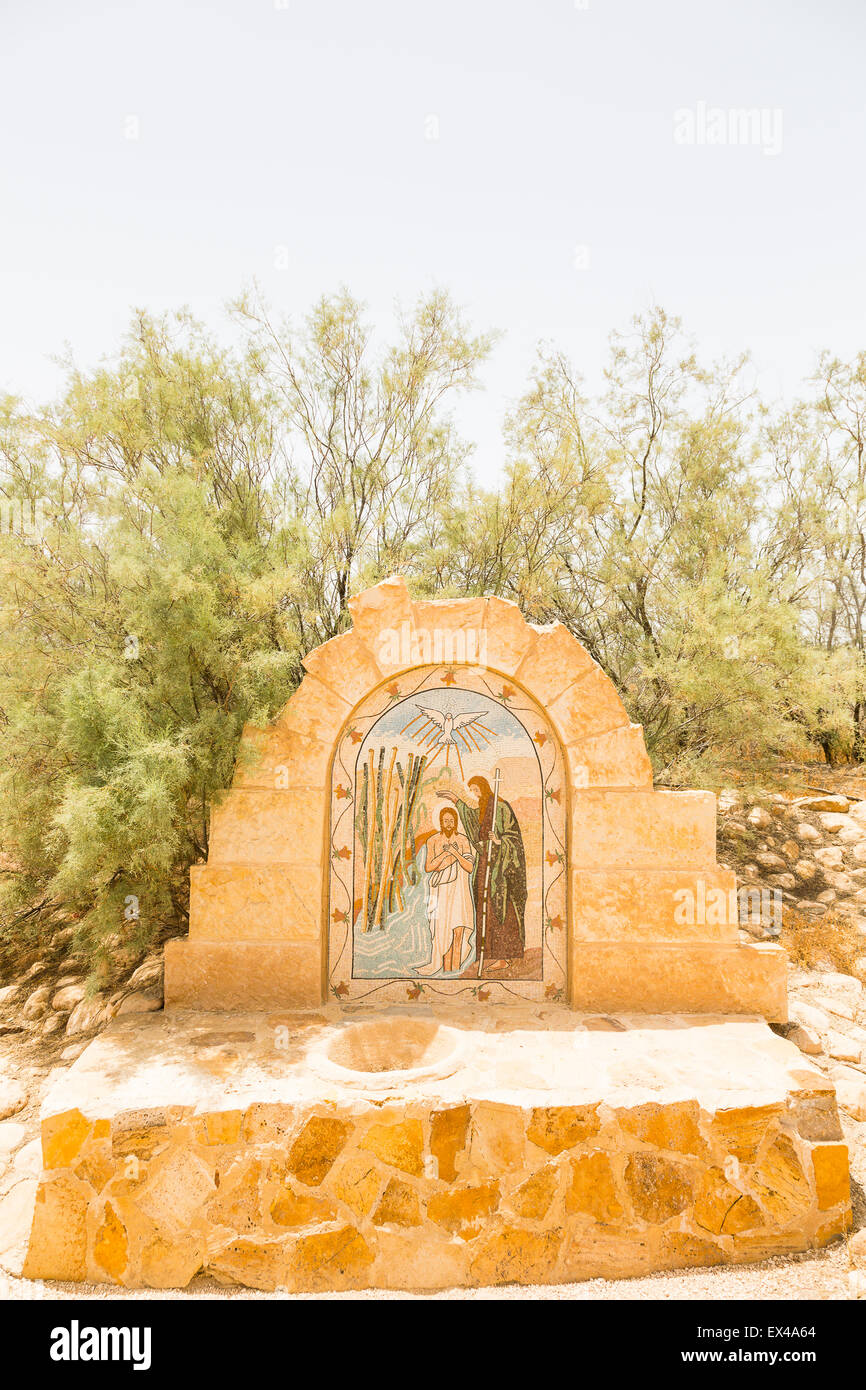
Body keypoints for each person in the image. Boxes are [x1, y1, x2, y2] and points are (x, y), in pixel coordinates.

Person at [438, 775, 527, 972]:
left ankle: (504, 957)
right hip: (484, 865)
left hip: (500, 871)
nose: (475, 794)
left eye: (476, 790)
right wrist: (455, 799)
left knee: (501, 909)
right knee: (484, 908)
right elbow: (471, 820)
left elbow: (514, 839)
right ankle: (489, 955)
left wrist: (498, 842)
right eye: (472, 791)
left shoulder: (501, 807)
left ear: (484, 788)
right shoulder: (484, 809)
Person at [414, 806, 476, 975]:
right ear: (440, 822)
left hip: (460, 891)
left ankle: (455, 970)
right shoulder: (433, 840)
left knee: (458, 931)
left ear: (456, 823)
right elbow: (429, 867)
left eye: (451, 821)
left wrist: (455, 853)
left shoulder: (463, 840)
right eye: (445, 821)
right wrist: (444, 854)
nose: (448, 824)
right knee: (442, 932)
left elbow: (469, 867)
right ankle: (447, 970)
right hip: (440, 891)